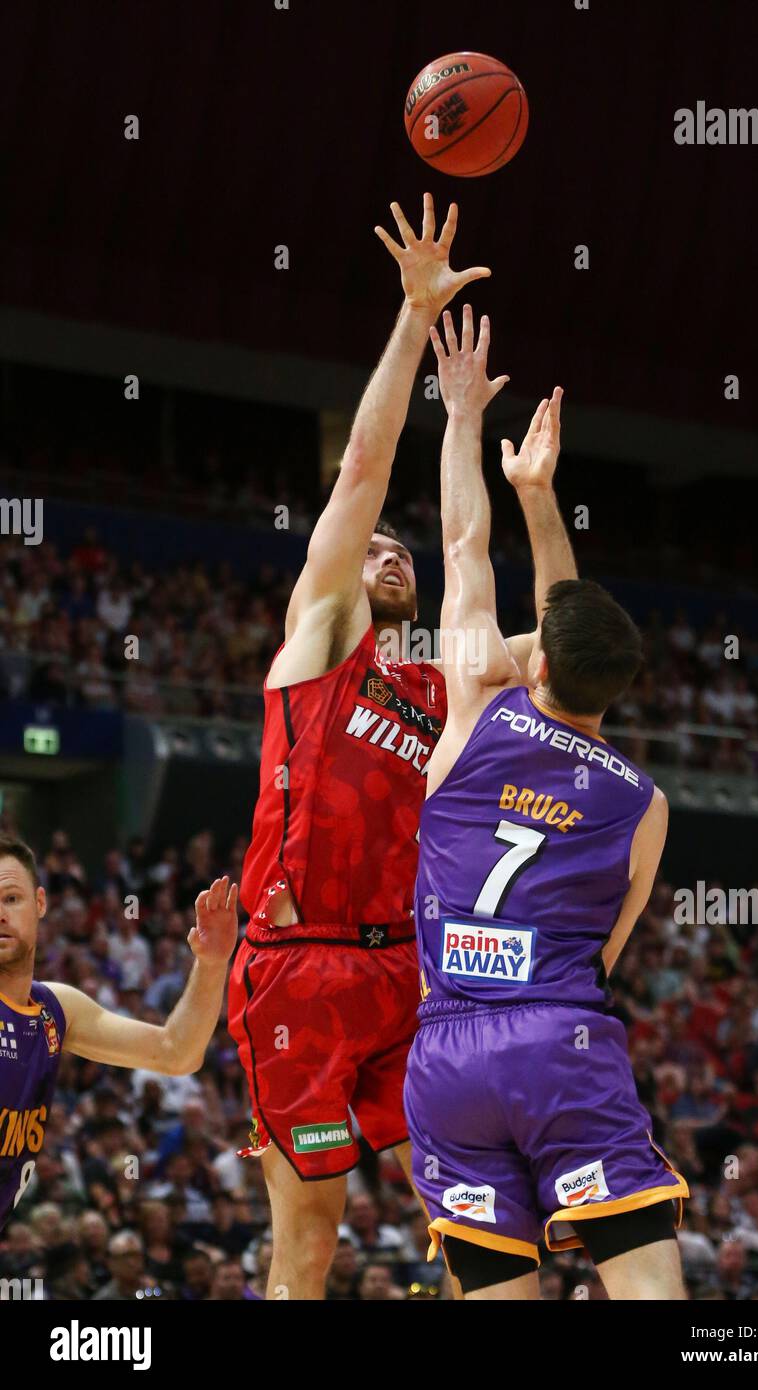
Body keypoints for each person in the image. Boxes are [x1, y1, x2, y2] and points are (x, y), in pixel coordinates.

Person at [227, 194, 535, 1301]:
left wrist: (520, 487)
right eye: (377, 548)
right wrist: (412, 324)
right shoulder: (318, 644)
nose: (390, 552)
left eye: (405, 550)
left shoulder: (438, 678)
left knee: (471, 1210)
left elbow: (557, 640)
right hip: (298, 962)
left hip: (412, 971)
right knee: (308, 1241)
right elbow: (362, 473)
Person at [403, 307, 689, 1300]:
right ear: (620, 688)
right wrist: (543, 496)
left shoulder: (474, 702)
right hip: (559, 1042)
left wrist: (464, 417)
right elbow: (600, 957)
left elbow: (458, 537)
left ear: (537, 663)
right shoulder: (642, 804)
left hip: (445, 1058)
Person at [0, 834, 238, 1232]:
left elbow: (176, 1052)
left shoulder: (56, 1010)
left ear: (40, 903)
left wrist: (212, 965)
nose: (1, 914)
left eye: (11, 899)